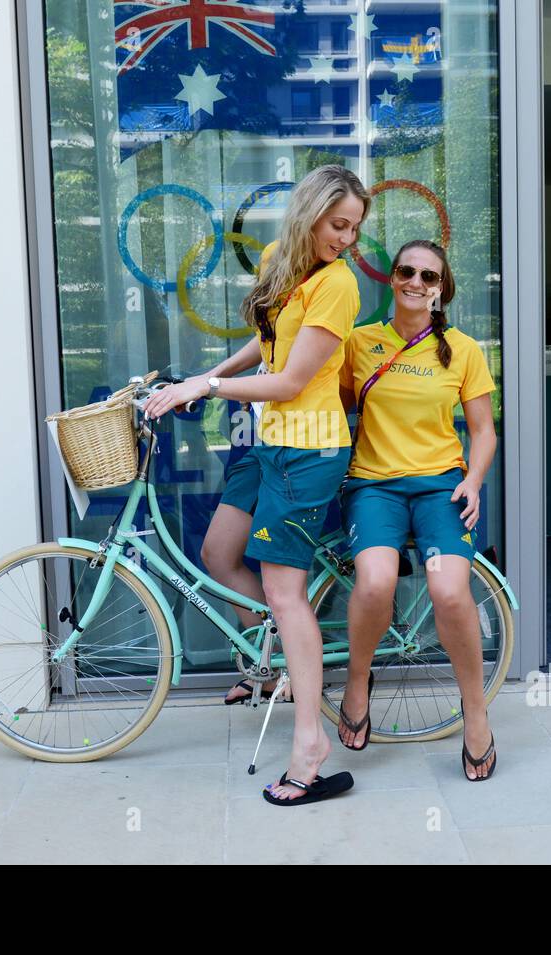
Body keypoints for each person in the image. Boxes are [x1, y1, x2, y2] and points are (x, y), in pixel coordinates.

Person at [144, 163, 370, 805]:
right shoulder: (280, 259)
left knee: (283, 588)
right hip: (269, 441)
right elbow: (268, 344)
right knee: (218, 553)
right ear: (309, 213)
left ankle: (310, 742)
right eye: (337, 224)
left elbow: (293, 380)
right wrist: (206, 373)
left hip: (310, 450)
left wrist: (208, 388)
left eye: (353, 228)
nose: (345, 238)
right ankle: (271, 662)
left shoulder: (338, 284)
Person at [335, 240, 498, 779]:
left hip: (439, 491)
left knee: (449, 590)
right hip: (374, 488)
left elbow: (482, 432)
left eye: (429, 277)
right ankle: (359, 679)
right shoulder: (360, 344)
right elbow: (333, 408)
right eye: (407, 271)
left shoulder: (464, 350)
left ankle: (475, 713)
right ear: (391, 278)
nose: (416, 282)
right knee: (377, 583)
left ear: (441, 288)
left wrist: (473, 482)